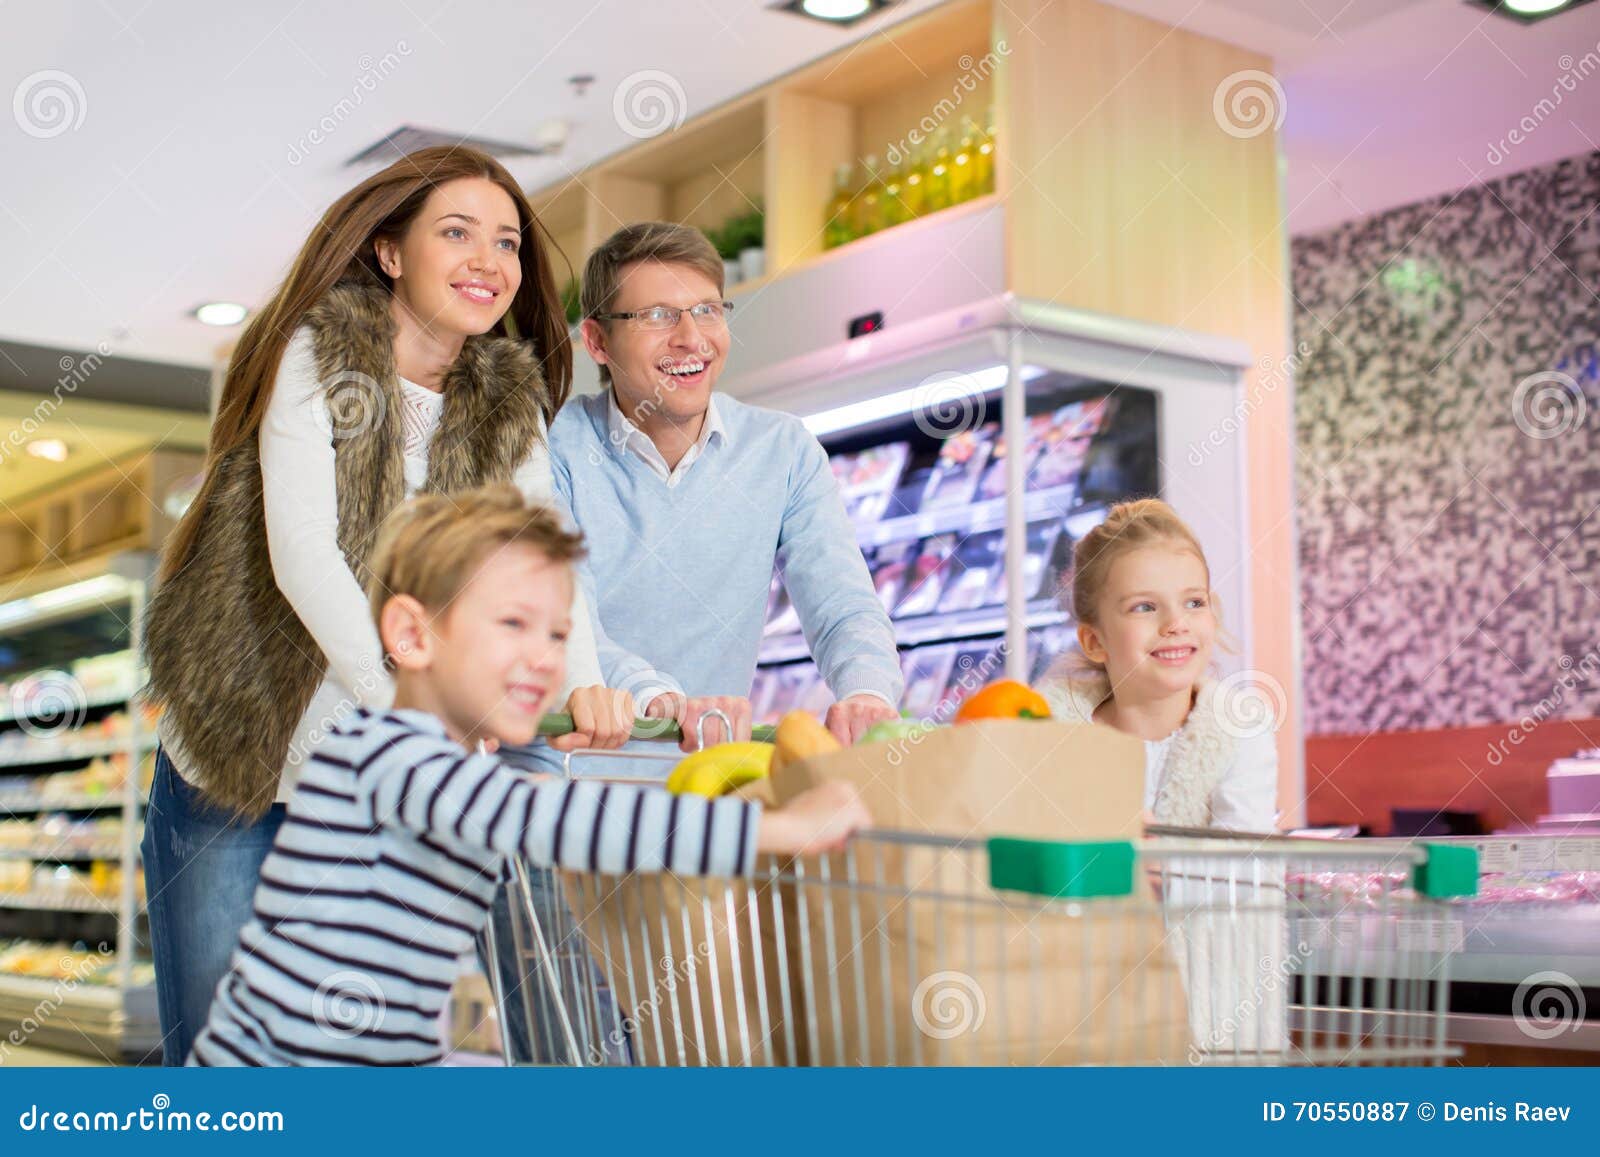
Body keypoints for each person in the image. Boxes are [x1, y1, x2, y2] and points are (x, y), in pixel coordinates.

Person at [140, 146, 634, 1065]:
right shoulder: (317, 355)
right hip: (238, 754)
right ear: (389, 252)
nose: (490, 259)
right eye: (457, 232)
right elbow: (305, 556)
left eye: (508, 242)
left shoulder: (507, 403)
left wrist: (589, 681)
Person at [188, 485, 869, 1066]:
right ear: (413, 634)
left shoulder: (448, 775)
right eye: (514, 623)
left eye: (556, 634)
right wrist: (777, 827)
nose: (545, 658)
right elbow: (559, 821)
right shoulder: (386, 755)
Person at [550, 221, 903, 755]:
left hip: (709, 784)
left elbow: (843, 605)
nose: (692, 338)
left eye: (708, 310)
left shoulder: (783, 450)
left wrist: (868, 691)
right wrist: (657, 696)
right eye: (657, 316)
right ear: (598, 341)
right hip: (571, 778)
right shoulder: (553, 447)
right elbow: (563, 611)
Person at [1038, 498, 1278, 830]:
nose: (1176, 623)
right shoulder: (1050, 736)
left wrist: (1152, 862)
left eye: (1194, 602)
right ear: (1095, 641)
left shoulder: (1238, 733)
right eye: (1145, 607)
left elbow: (1246, 871)